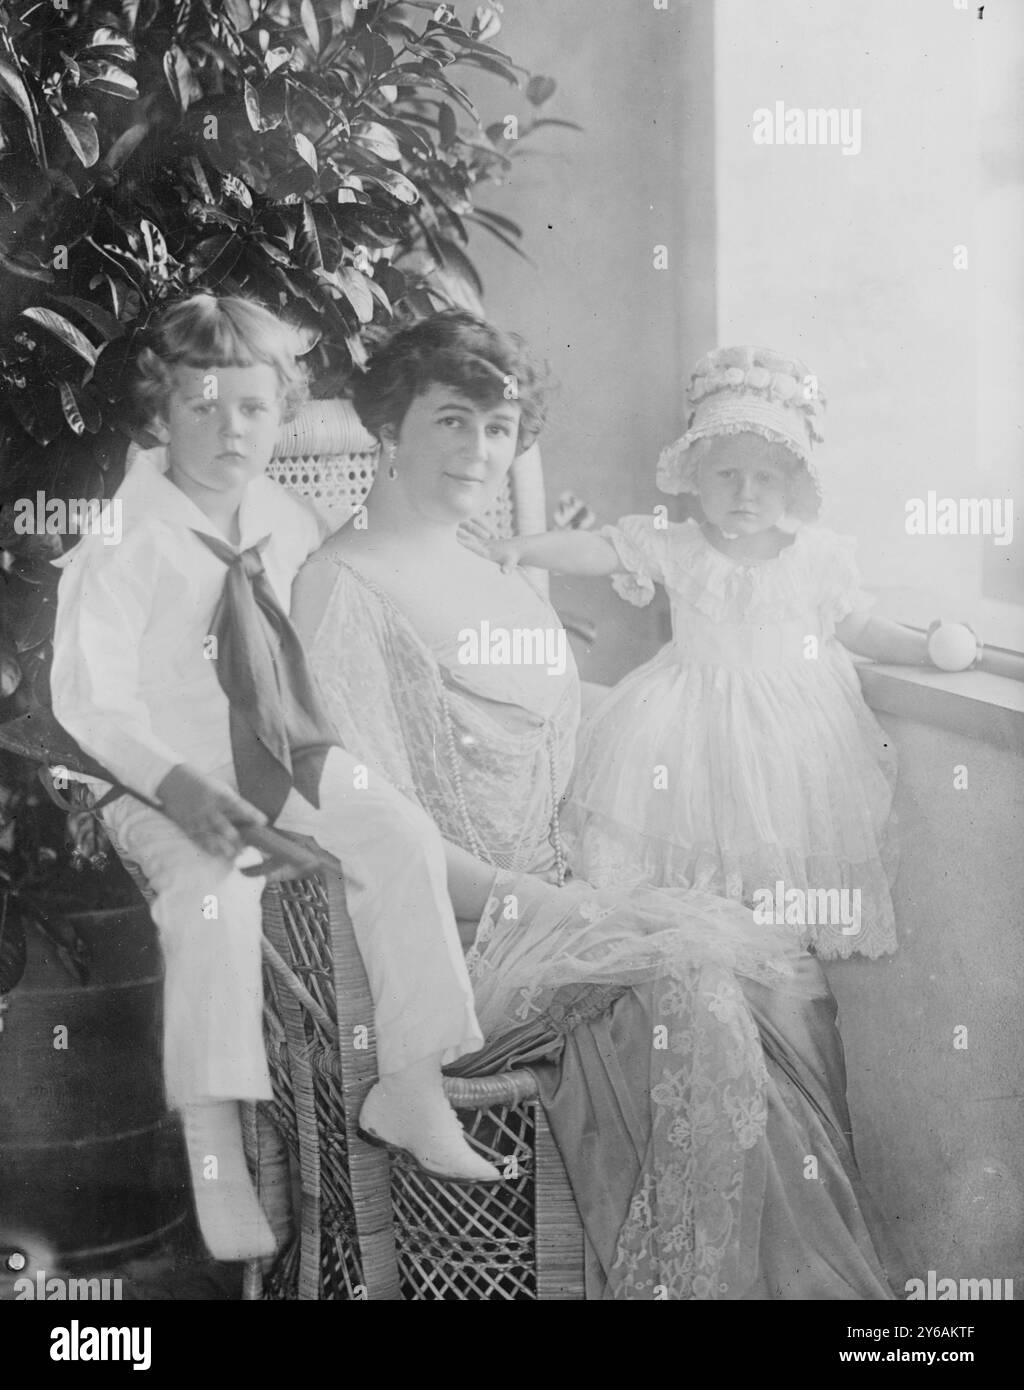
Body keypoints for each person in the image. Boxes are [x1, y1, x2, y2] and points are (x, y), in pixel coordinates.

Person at [291, 311, 904, 1299]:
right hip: (449, 945)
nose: (479, 452)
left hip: (554, 890)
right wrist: (549, 903)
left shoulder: (484, 568)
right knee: (698, 978)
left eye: (497, 429)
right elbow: (374, 834)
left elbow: (557, 744)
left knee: (772, 969)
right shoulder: (340, 586)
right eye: (451, 421)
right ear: (387, 424)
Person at [49, 295, 510, 1265]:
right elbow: (91, 704)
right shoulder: (122, 534)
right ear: (158, 413)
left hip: (277, 751)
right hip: (155, 775)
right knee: (215, 898)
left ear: (282, 413)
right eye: (203, 407)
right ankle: (215, 1149)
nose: (230, 430)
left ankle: (412, 1077)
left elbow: (311, 646)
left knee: (399, 833)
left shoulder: (281, 517)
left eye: (253, 410)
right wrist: (173, 785)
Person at [462, 346, 969, 959]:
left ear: (793, 486)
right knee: (682, 871)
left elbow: (859, 626)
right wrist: (521, 548)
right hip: (686, 723)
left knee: (773, 867)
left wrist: (924, 647)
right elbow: (601, 550)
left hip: (794, 738)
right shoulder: (679, 545)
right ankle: (695, 965)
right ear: (697, 477)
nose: (745, 492)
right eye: (727, 474)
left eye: (765, 477)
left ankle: (764, 976)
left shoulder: (816, 557)